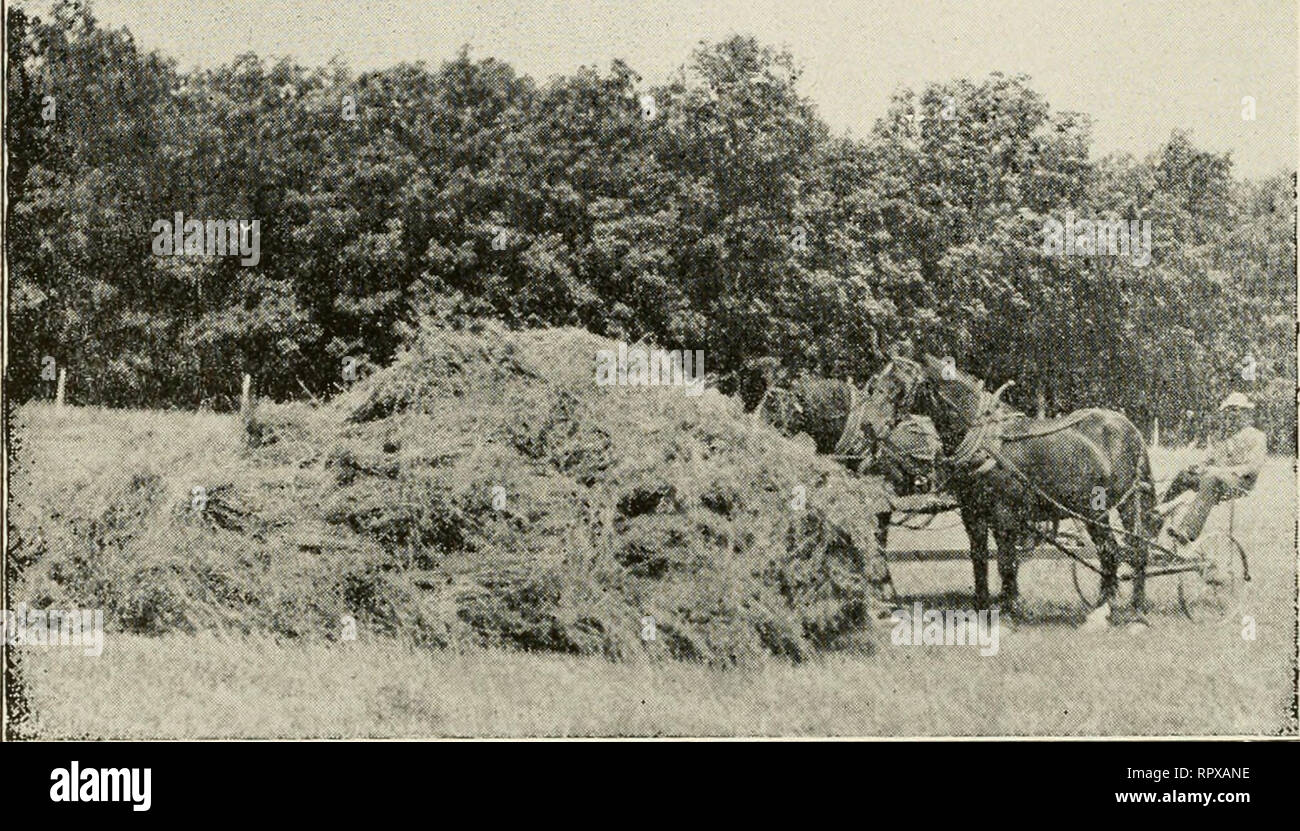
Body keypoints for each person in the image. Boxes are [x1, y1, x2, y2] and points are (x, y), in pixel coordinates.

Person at [1162, 392, 1266, 547]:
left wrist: (1219, 471)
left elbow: (1252, 468)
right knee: (1184, 475)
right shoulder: (1222, 436)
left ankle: (1187, 531)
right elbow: (1209, 459)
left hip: (1240, 482)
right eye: (1228, 412)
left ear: (1244, 412)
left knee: (1211, 477)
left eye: (1235, 411)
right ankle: (1157, 515)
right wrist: (1198, 467)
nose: (1231, 416)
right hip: (1213, 478)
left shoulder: (1257, 436)